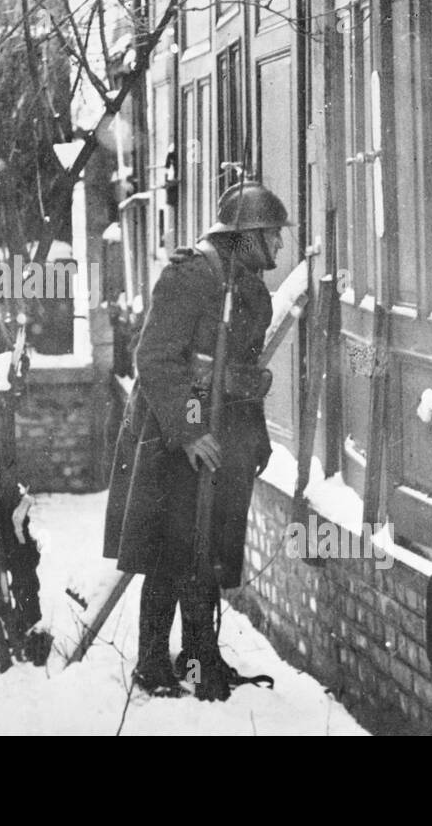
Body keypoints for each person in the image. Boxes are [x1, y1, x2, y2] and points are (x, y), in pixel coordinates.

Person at [103, 181, 290, 701]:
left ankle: (199, 655)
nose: (278, 248)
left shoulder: (249, 290)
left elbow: (242, 372)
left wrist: (255, 439)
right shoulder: (188, 277)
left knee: (207, 553)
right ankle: (151, 666)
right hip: (171, 441)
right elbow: (158, 359)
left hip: (223, 441)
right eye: (272, 237)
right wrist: (190, 430)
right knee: (168, 555)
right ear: (246, 237)